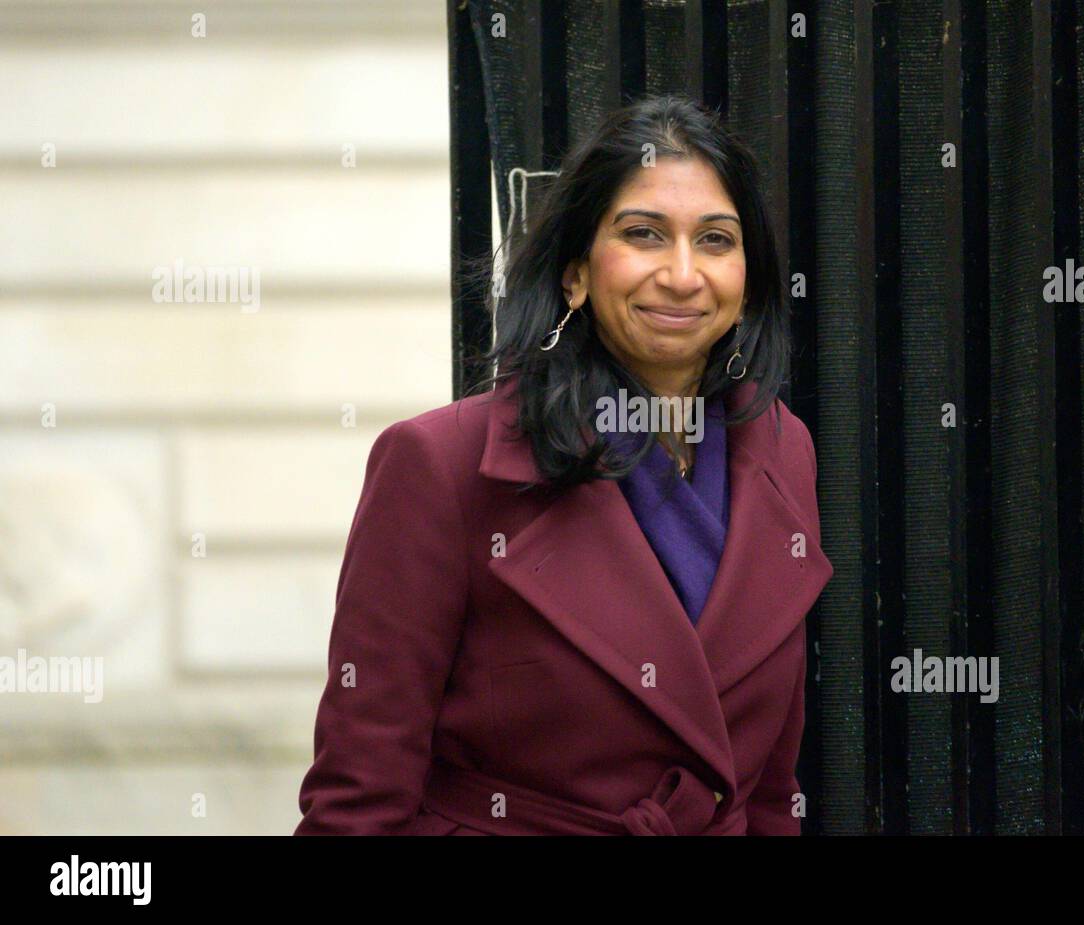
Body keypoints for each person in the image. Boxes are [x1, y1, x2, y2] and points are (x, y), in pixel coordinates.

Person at [293, 95, 833, 835]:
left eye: (715, 240)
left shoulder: (781, 448)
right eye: (644, 235)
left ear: (747, 280)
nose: (682, 274)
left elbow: (771, 794)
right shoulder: (440, 466)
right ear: (575, 272)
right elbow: (357, 800)